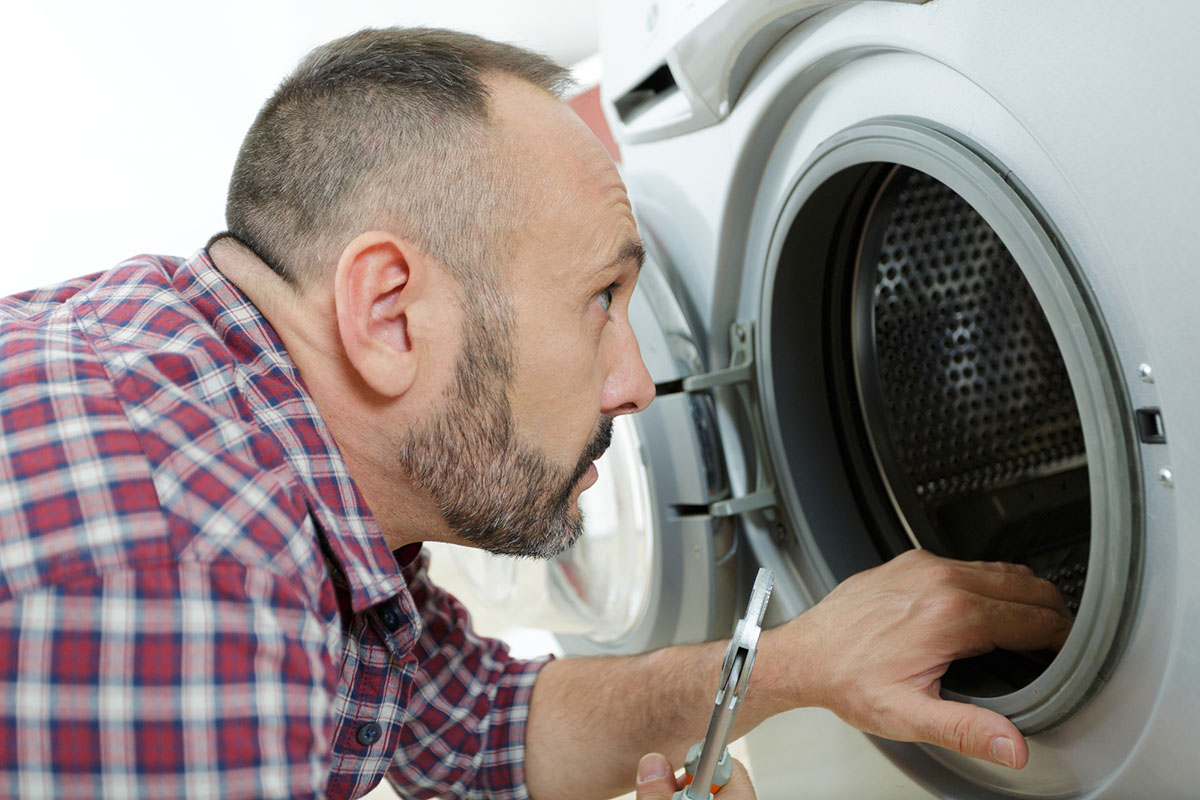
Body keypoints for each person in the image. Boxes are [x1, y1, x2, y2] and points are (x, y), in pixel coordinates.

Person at [0, 27, 1072, 800]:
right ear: (389, 313)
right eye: (601, 298)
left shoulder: (219, 371)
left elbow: (473, 729)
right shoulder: (187, 584)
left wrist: (798, 662)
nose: (637, 383)